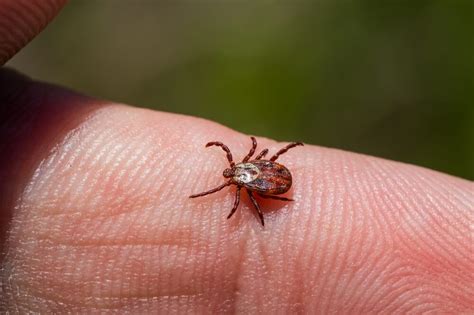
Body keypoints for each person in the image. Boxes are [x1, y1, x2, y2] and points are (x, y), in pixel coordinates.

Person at [0, 1, 472, 313]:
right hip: (273, 176)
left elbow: (244, 188)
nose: (230, 172)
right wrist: (271, 189)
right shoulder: (250, 177)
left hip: (271, 178)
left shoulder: (244, 183)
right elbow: (260, 176)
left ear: (242, 171)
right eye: (232, 172)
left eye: (232, 170)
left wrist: (265, 198)